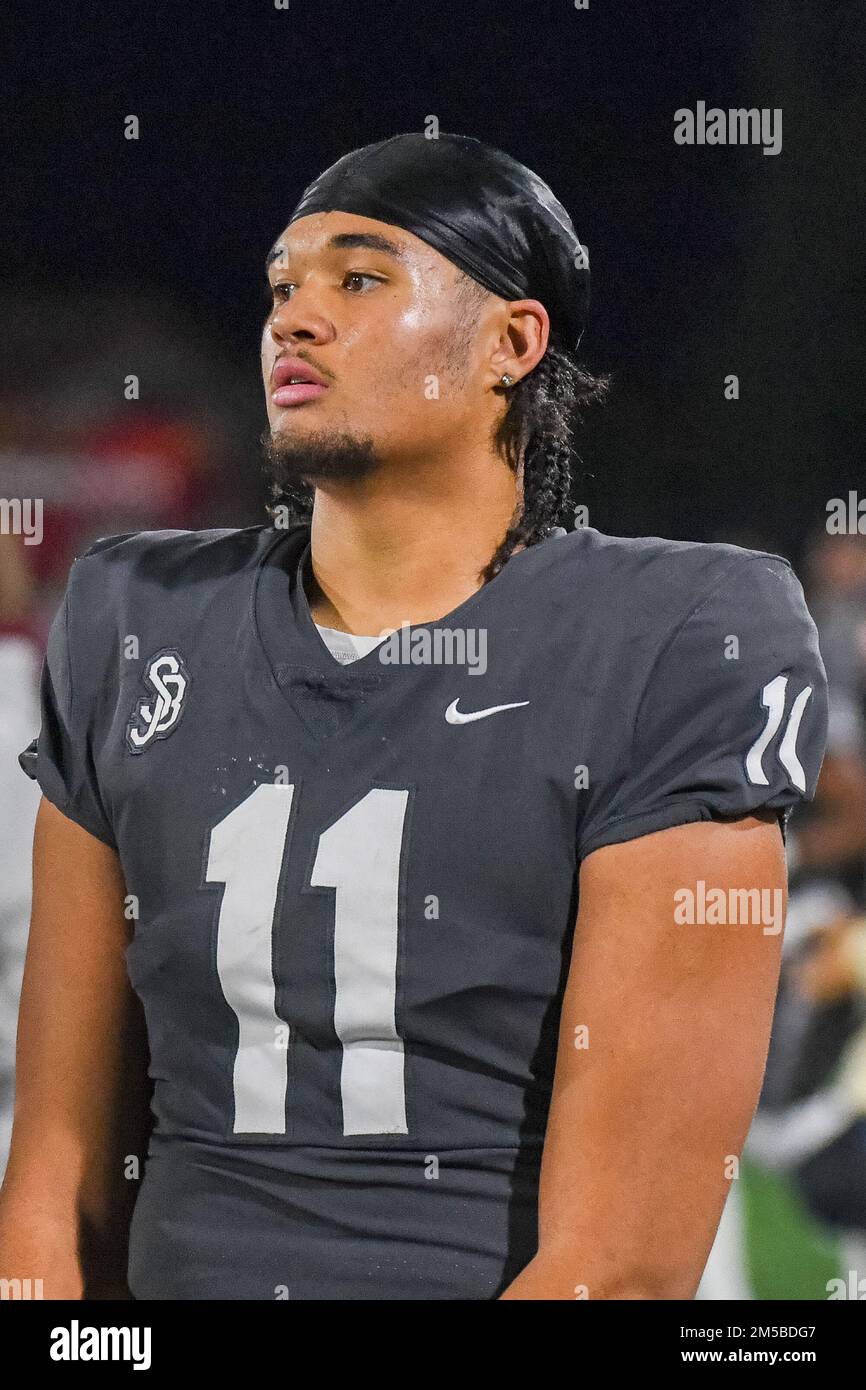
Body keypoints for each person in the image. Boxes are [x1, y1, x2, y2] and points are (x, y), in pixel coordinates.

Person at [0, 132, 829, 1300]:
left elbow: (620, 1267)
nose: (293, 316)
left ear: (510, 341)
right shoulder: (138, 617)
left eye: (358, 277)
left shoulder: (672, 635)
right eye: (282, 285)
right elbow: (58, 1174)